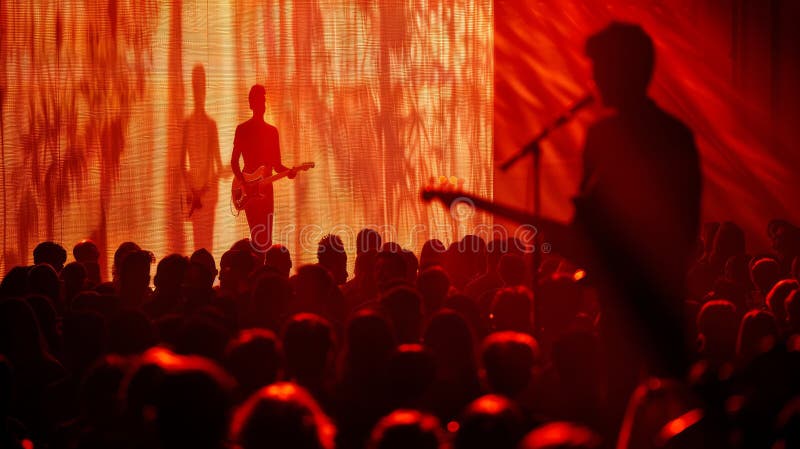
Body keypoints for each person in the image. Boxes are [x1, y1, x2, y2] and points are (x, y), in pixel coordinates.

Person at [570, 22, 702, 425]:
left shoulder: (605, 135)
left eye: (599, 69)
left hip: (632, 297)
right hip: (659, 292)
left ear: (623, 70)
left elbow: (589, 223)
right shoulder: (676, 134)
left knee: (622, 401)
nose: (593, 79)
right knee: (669, 404)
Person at [231, 84, 296, 253]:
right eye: (258, 100)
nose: (262, 104)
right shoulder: (242, 129)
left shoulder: (272, 132)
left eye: (263, 101)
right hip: (249, 190)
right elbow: (234, 162)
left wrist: (290, 172)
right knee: (257, 237)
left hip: (266, 190)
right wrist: (244, 183)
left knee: (265, 238)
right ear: (251, 104)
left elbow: (277, 165)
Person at [182, 64, 223, 252]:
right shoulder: (187, 124)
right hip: (194, 193)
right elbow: (182, 163)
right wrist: (193, 189)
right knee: (199, 242)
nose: (199, 90)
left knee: (207, 242)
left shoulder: (211, 125)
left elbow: (218, 165)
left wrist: (206, 187)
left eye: (202, 85)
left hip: (207, 193)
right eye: (196, 85)